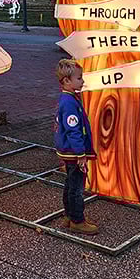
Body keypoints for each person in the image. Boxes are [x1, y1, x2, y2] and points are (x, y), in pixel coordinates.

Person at [53, 58, 98, 235]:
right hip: (74, 153)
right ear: (66, 81)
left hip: (68, 151)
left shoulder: (68, 98)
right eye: (79, 78)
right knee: (77, 188)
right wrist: (81, 154)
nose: (82, 81)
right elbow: (73, 130)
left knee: (70, 184)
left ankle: (69, 215)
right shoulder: (70, 103)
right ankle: (77, 220)